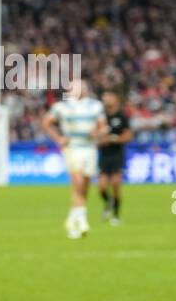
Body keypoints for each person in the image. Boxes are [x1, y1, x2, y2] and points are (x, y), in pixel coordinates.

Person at [42, 78, 105, 239]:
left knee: (84, 186)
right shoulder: (62, 107)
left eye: (83, 87)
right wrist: (58, 139)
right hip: (72, 148)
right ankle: (83, 220)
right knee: (77, 182)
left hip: (89, 148)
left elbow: (102, 126)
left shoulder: (95, 105)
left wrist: (96, 133)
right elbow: (47, 122)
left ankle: (72, 218)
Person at [97, 89, 131, 225]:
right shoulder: (100, 116)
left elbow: (128, 135)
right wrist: (99, 140)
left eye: (108, 96)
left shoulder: (122, 116)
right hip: (104, 155)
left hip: (117, 154)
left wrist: (113, 139)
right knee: (102, 187)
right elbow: (95, 134)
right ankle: (108, 202)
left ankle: (116, 216)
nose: (105, 99)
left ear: (116, 98)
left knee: (116, 184)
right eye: (104, 97)